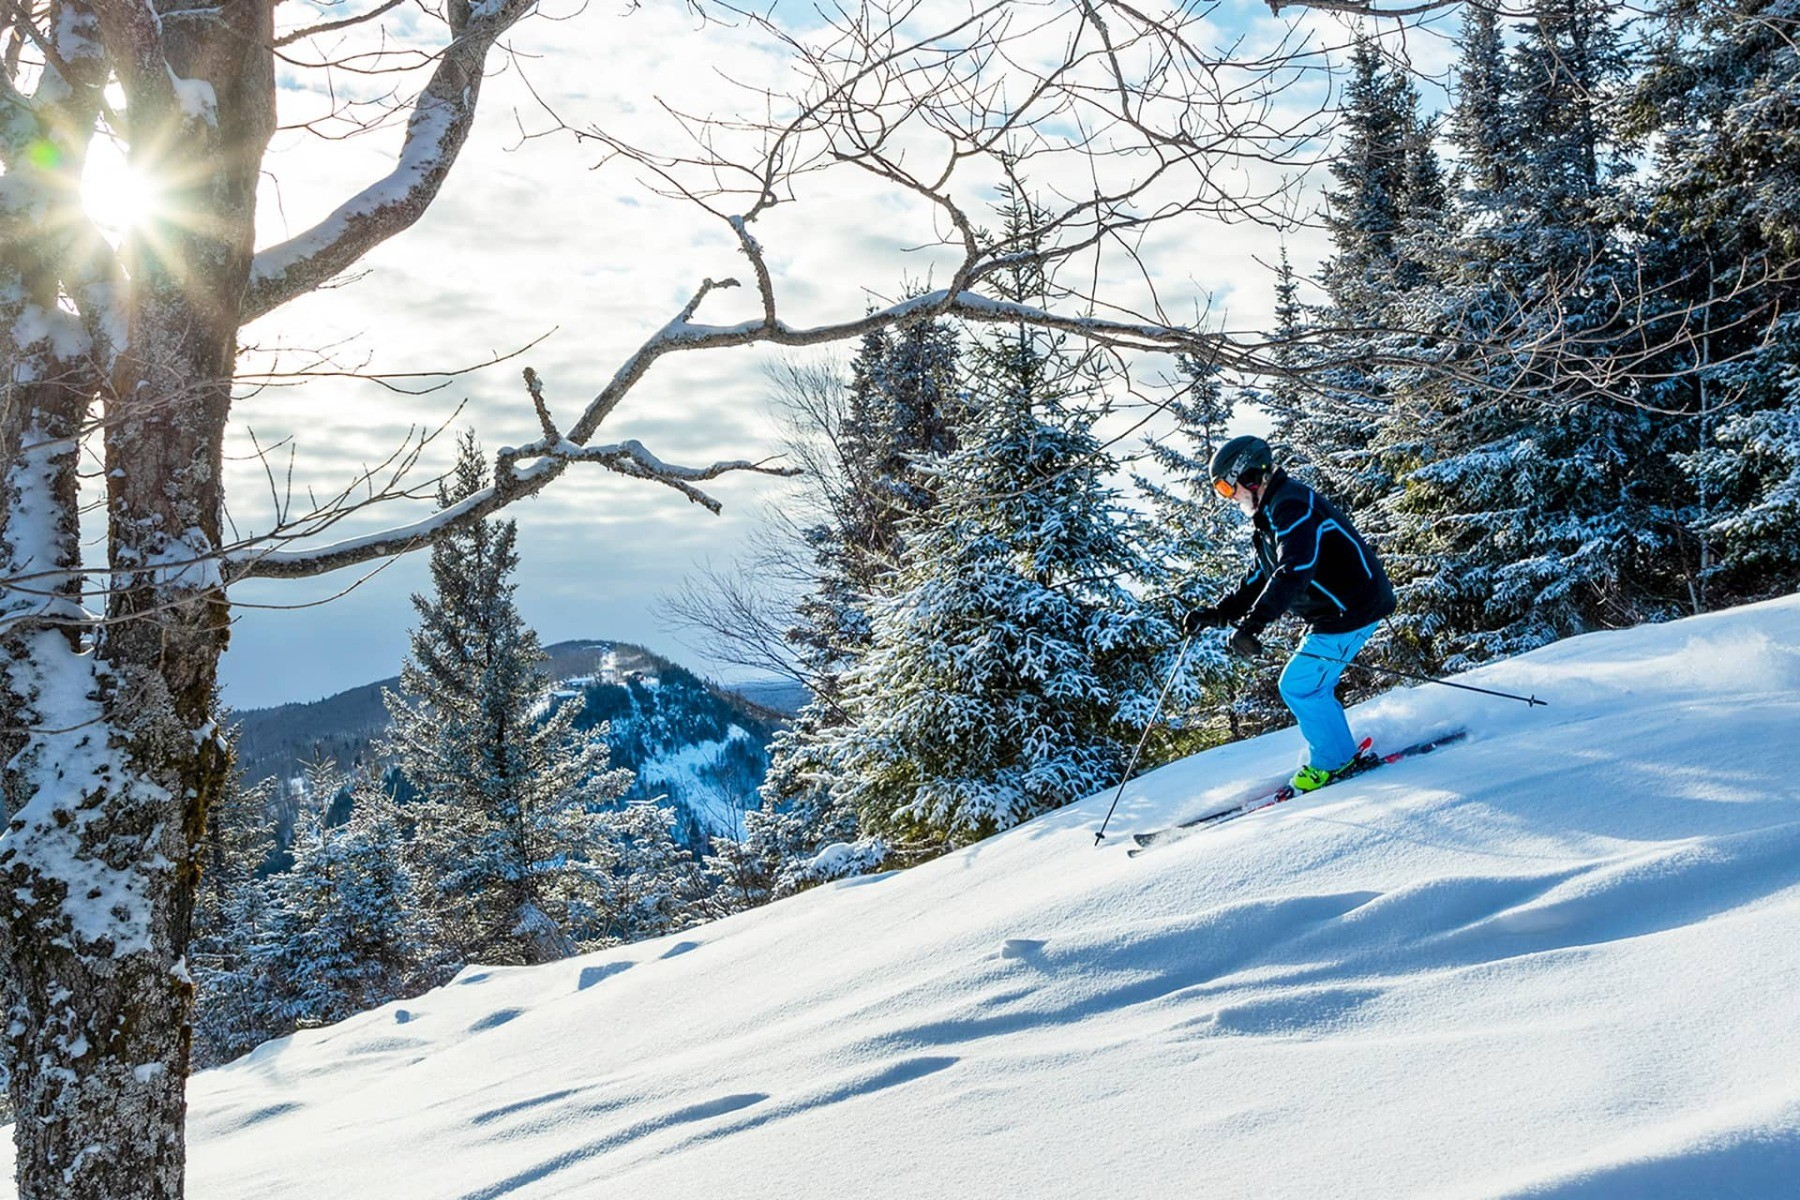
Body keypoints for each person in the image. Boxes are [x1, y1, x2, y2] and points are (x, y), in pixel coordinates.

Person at [1182, 434, 1396, 793]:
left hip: (1353, 609)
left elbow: (1295, 569)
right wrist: (1218, 613)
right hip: (1338, 612)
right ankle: (1338, 753)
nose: (1229, 496)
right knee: (1309, 683)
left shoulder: (1291, 506)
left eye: (1225, 486)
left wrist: (1254, 625)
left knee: (1299, 684)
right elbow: (1260, 575)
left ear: (1248, 476)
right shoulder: (1272, 513)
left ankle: (1335, 761)